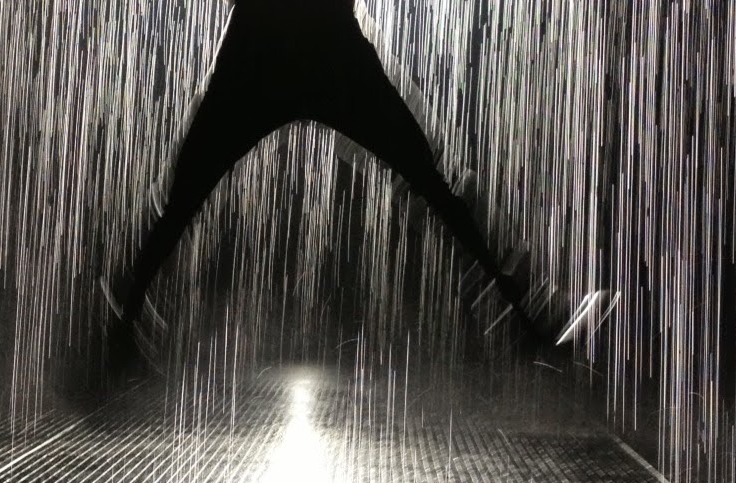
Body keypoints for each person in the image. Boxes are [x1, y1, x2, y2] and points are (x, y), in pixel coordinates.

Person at [104, 0, 536, 356]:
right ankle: (523, 310)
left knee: (182, 200)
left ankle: (123, 320)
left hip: (262, 52)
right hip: (323, 52)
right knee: (433, 183)